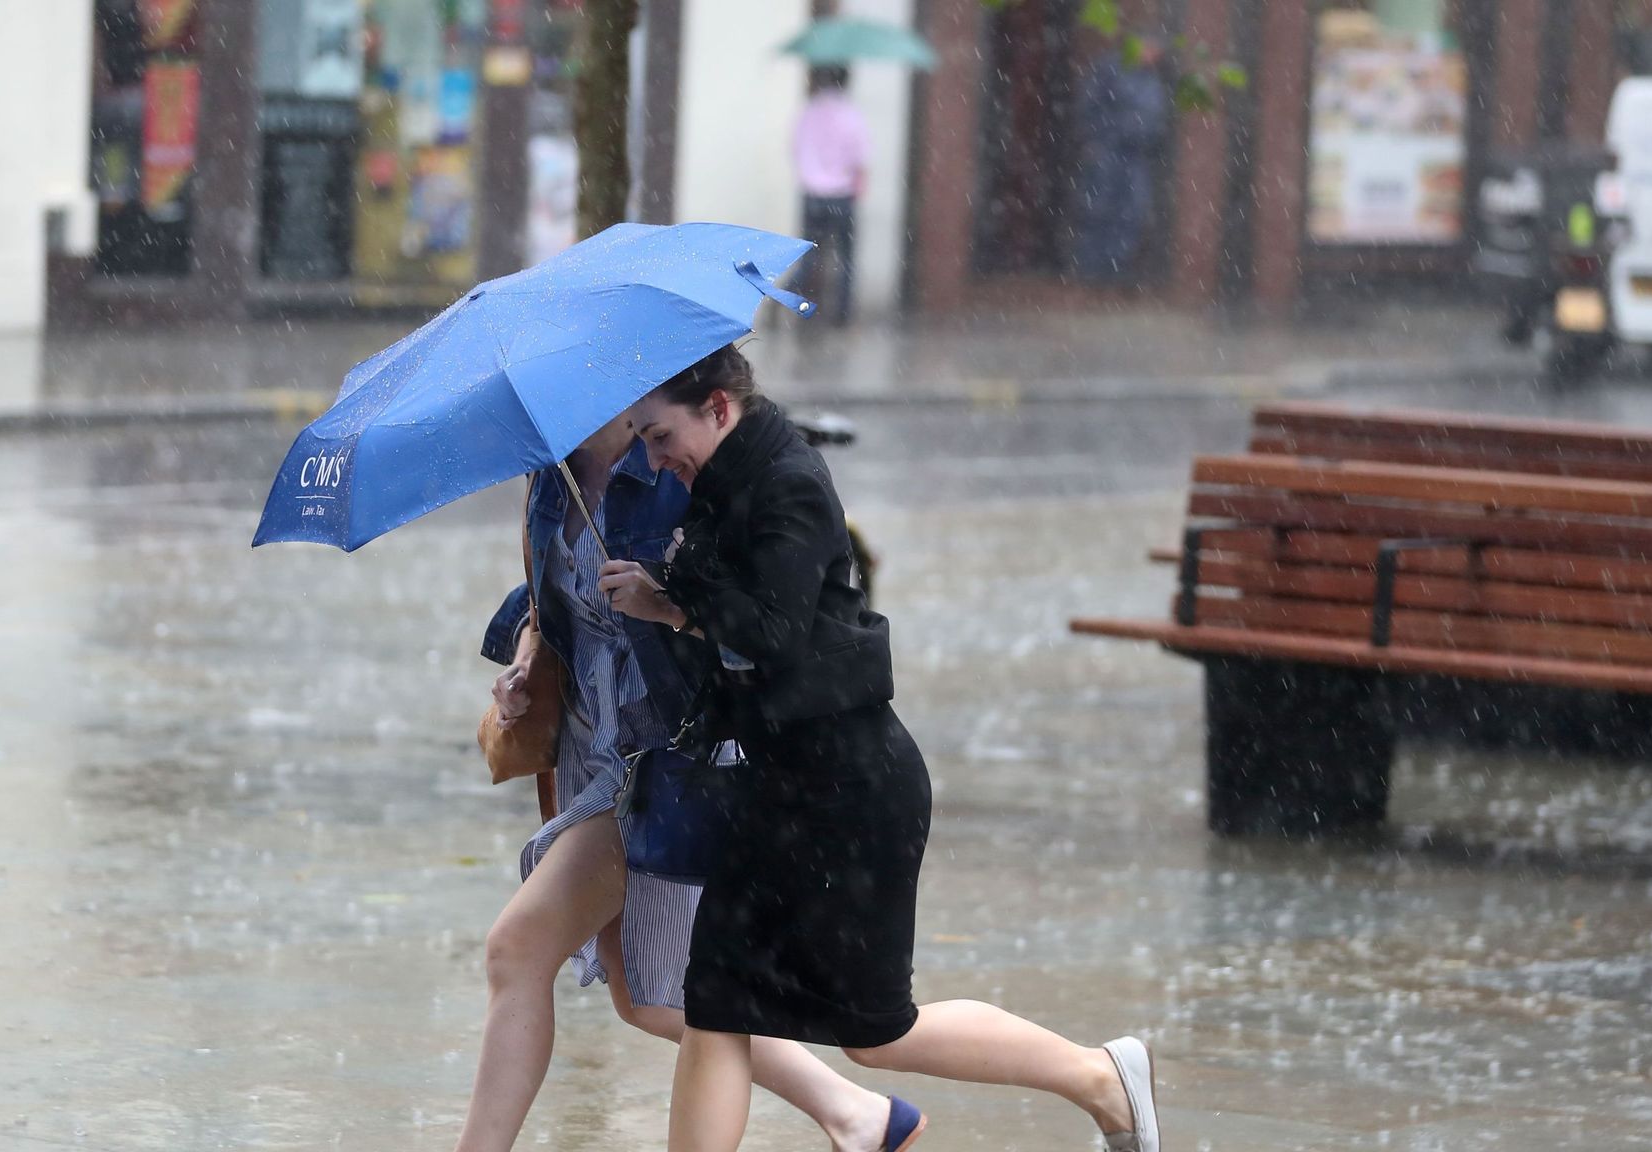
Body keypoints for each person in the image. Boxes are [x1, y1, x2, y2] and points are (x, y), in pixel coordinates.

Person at [600, 345, 1162, 1152]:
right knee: (716, 1003)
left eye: (659, 437)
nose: (655, 459)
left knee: (874, 1031)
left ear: (718, 408)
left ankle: (1101, 1076)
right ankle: (1095, 1079)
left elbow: (778, 633)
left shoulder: (786, 481)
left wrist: (676, 607)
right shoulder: (718, 490)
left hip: (851, 792)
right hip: (777, 785)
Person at [461, 415, 920, 1152]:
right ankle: (857, 1115)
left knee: (518, 950)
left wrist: (669, 604)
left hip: (662, 759)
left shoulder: (676, 475)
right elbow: (546, 606)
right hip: (594, 751)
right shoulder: (551, 477)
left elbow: (756, 612)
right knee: (646, 999)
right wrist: (522, 665)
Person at [1074, 41, 1169, 282]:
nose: (1154, 54)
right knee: (1099, 207)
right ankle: (1091, 271)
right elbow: (1090, 104)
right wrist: (1096, 139)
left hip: (1136, 154)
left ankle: (1115, 270)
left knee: (1132, 210)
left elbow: (1154, 117)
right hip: (1109, 149)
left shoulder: (1151, 79)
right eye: (1150, 47)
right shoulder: (1111, 68)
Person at [794, 65, 869, 325]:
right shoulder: (851, 116)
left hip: (813, 192)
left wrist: (812, 175)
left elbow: (796, 148)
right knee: (845, 259)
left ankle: (792, 303)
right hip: (842, 194)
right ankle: (841, 316)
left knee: (809, 255)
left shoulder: (809, 112)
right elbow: (860, 157)